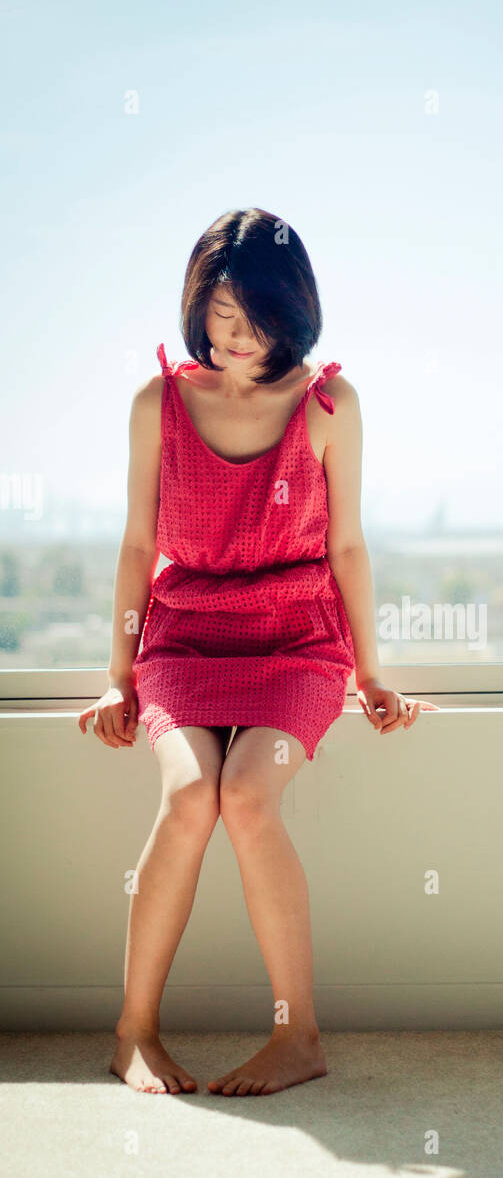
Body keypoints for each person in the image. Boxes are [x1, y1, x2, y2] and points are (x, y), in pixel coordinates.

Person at [78, 207, 435, 1097]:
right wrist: (118, 679)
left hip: (298, 641)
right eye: (222, 317)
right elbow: (135, 548)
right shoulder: (158, 404)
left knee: (245, 793)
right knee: (191, 793)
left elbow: (348, 547)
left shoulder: (328, 404)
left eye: (259, 319)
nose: (238, 339)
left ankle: (298, 1036)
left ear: (296, 311)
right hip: (185, 637)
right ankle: (133, 1033)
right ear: (198, 308)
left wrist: (370, 672)